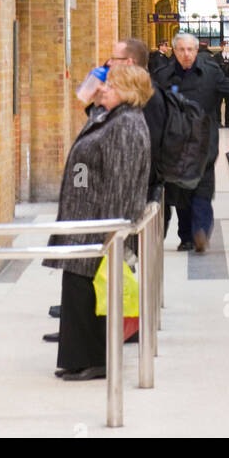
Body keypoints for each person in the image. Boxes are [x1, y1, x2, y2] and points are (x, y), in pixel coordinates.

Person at [43, 61, 152, 380]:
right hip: (85, 219)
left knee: (88, 290)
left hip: (98, 225)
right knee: (77, 288)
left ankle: (94, 359)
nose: (104, 88)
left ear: (129, 93)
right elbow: (86, 98)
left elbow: (122, 181)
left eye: (112, 85)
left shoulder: (127, 125)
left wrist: (112, 234)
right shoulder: (110, 116)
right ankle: (79, 357)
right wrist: (96, 84)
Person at [152, 31, 229, 253]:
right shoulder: (163, 76)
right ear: (174, 51)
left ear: (197, 51)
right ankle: (187, 237)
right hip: (174, 144)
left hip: (204, 141)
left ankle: (201, 232)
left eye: (191, 50)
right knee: (180, 190)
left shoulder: (210, 73)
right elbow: (152, 107)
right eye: (182, 50)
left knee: (202, 187)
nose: (187, 54)